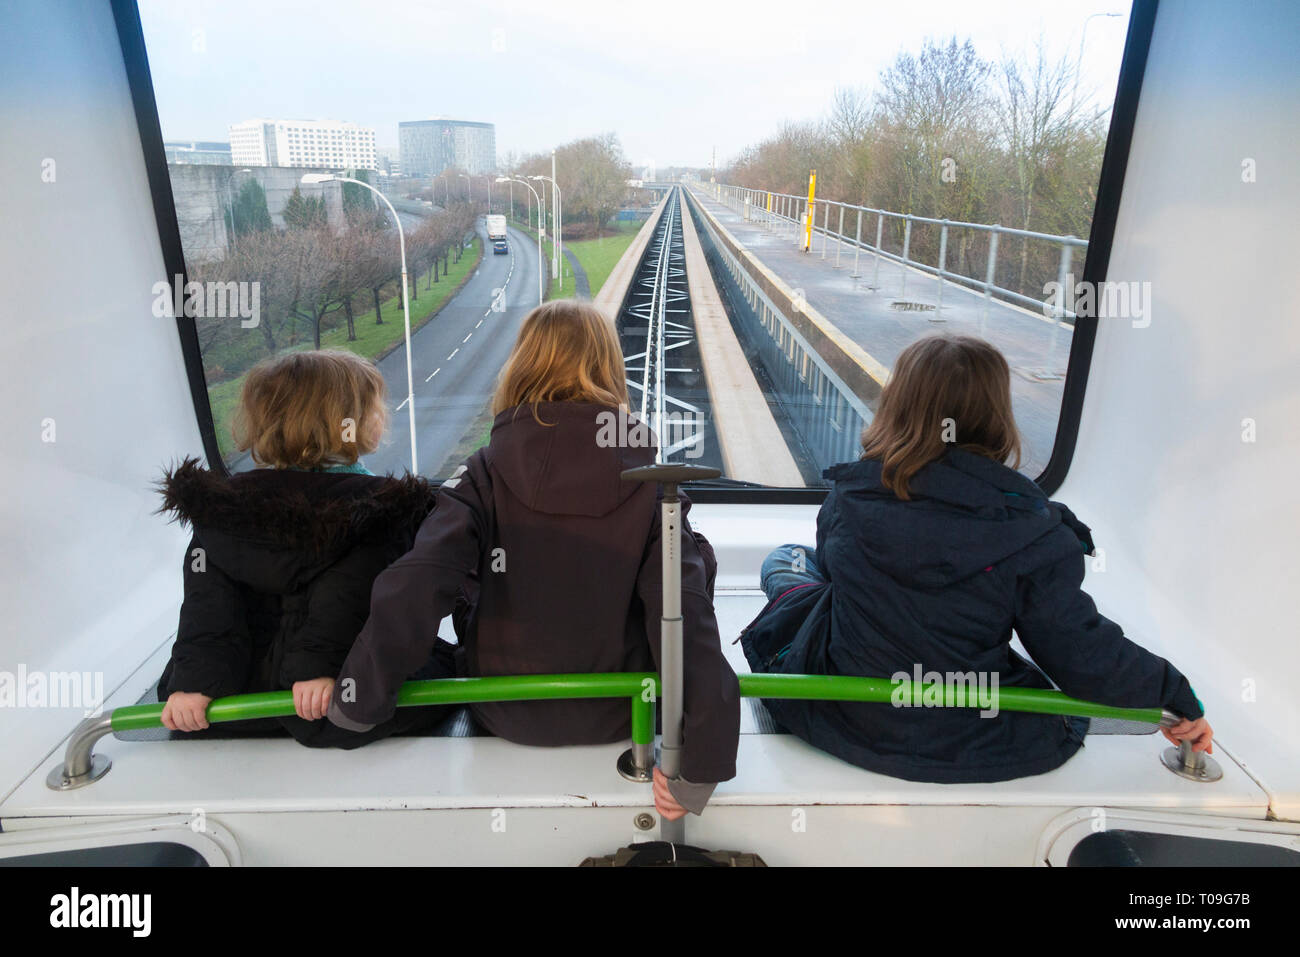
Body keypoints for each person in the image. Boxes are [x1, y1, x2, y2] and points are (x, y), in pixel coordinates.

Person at [328, 300, 740, 818]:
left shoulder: (482, 472)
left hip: (505, 709)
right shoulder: (652, 485)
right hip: (619, 714)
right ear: (610, 368)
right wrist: (702, 767)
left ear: (521, 363)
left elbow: (421, 579)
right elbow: (683, 615)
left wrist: (358, 698)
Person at [742, 334, 1212, 783]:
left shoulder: (848, 498)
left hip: (846, 718)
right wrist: (1173, 693)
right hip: (976, 733)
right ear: (996, 416)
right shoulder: (1032, 530)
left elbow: (833, 568)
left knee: (788, 560)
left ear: (897, 406)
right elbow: (1079, 653)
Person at [156, 349, 450, 747]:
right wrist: (316, 671)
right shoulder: (381, 506)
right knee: (445, 662)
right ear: (353, 425)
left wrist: (194, 685)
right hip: (333, 703)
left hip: (239, 705)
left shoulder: (219, 508)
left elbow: (207, 607)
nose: (383, 416)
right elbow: (352, 592)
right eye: (376, 409)